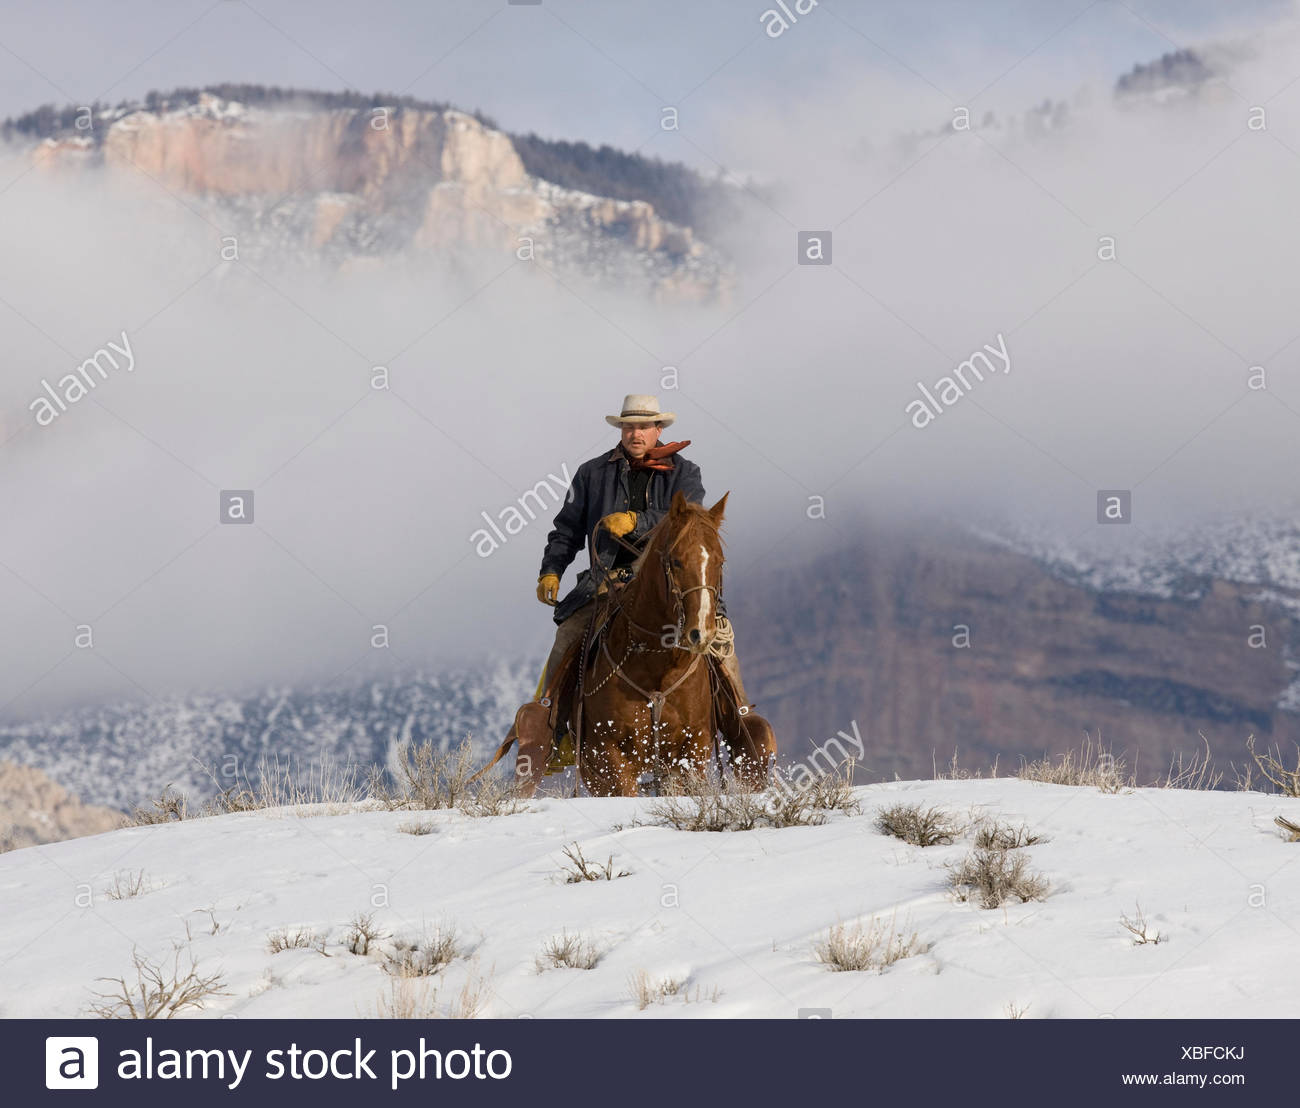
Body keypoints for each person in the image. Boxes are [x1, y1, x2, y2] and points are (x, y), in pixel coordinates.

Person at [535, 393, 755, 743]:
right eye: (628, 427)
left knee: (720, 643)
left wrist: (636, 521)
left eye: (643, 427)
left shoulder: (686, 472)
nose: (635, 434)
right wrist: (551, 569)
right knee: (567, 638)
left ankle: (743, 725)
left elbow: (692, 522)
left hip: (676, 583)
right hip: (605, 583)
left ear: (657, 429)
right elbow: (567, 529)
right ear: (620, 430)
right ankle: (548, 729)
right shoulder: (591, 473)